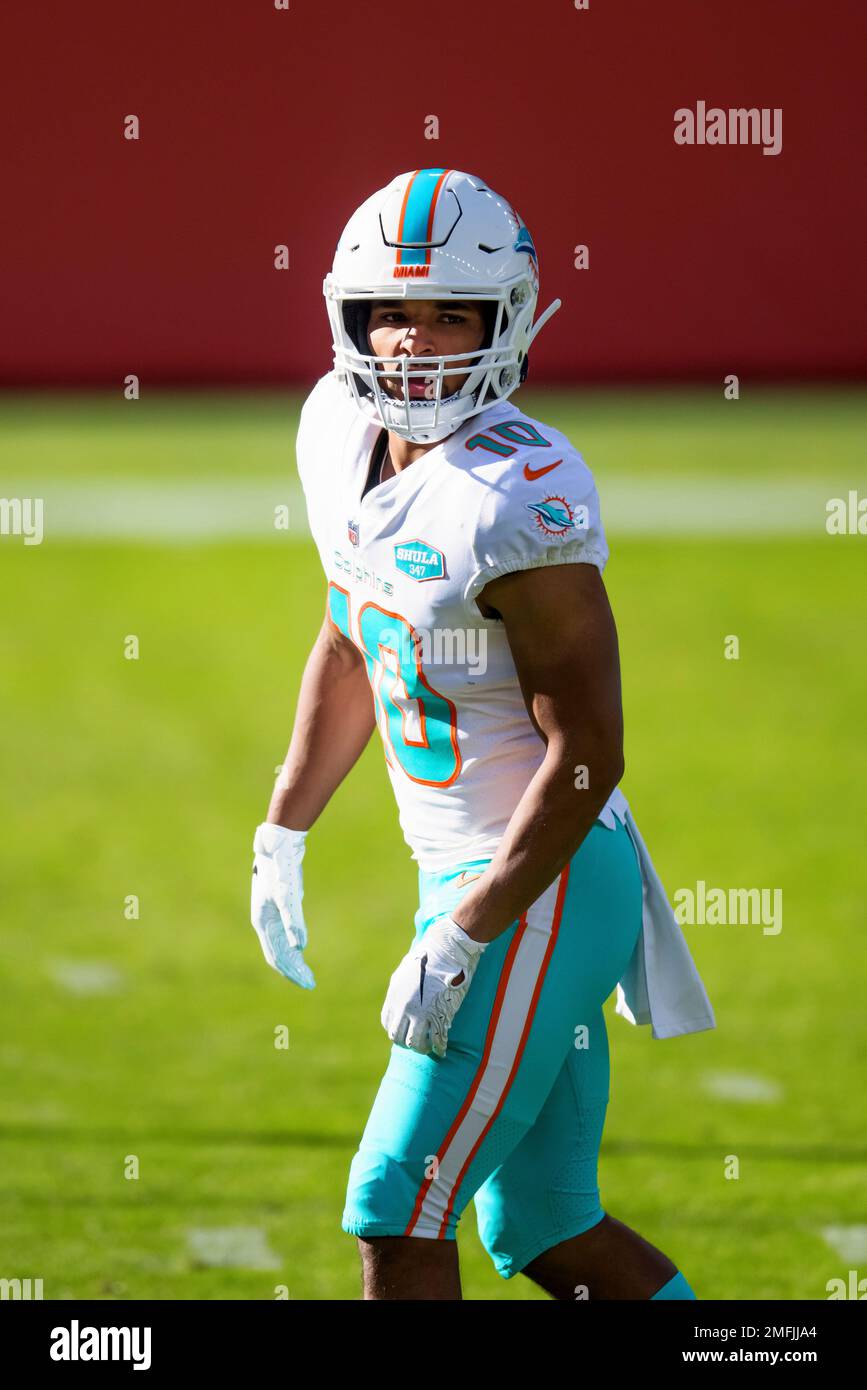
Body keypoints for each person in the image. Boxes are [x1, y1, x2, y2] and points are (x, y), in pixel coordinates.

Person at [250, 168, 715, 1301]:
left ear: (507, 320)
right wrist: (284, 829)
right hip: (472, 877)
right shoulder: (334, 430)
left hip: (539, 877)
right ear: (347, 318)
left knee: (395, 1204)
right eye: (392, 311)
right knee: (551, 1229)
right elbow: (353, 634)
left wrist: (468, 930)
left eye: (452, 310)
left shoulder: (518, 494)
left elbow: (592, 752)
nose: (416, 340)